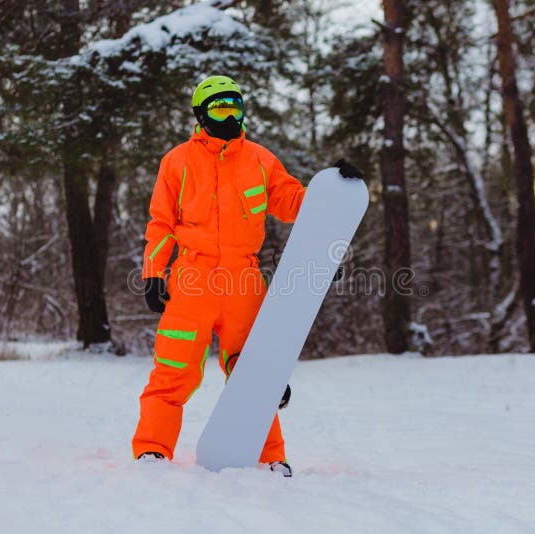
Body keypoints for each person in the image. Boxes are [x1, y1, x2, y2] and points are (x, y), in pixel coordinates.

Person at [131, 75, 362, 477]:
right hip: (192, 281)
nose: (229, 117)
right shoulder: (177, 162)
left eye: (234, 108)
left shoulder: (259, 159)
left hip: (244, 282)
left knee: (256, 374)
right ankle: (153, 449)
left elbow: (293, 201)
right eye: (220, 108)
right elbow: (161, 224)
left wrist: (333, 189)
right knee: (172, 370)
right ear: (201, 114)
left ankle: (270, 457)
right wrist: (154, 273)